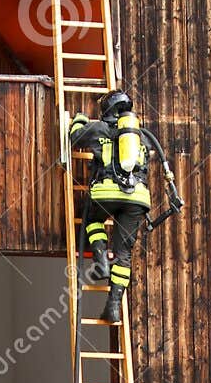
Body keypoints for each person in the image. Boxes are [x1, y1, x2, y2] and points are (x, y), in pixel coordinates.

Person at [68, 88, 179, 325]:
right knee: (124, 255)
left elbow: (75, 137)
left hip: (106, 193)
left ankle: (100, 261)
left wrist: (79, 118)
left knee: (93, 221)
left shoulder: (100, 128)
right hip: (137, 199)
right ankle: (114, 307)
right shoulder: (141, 136)